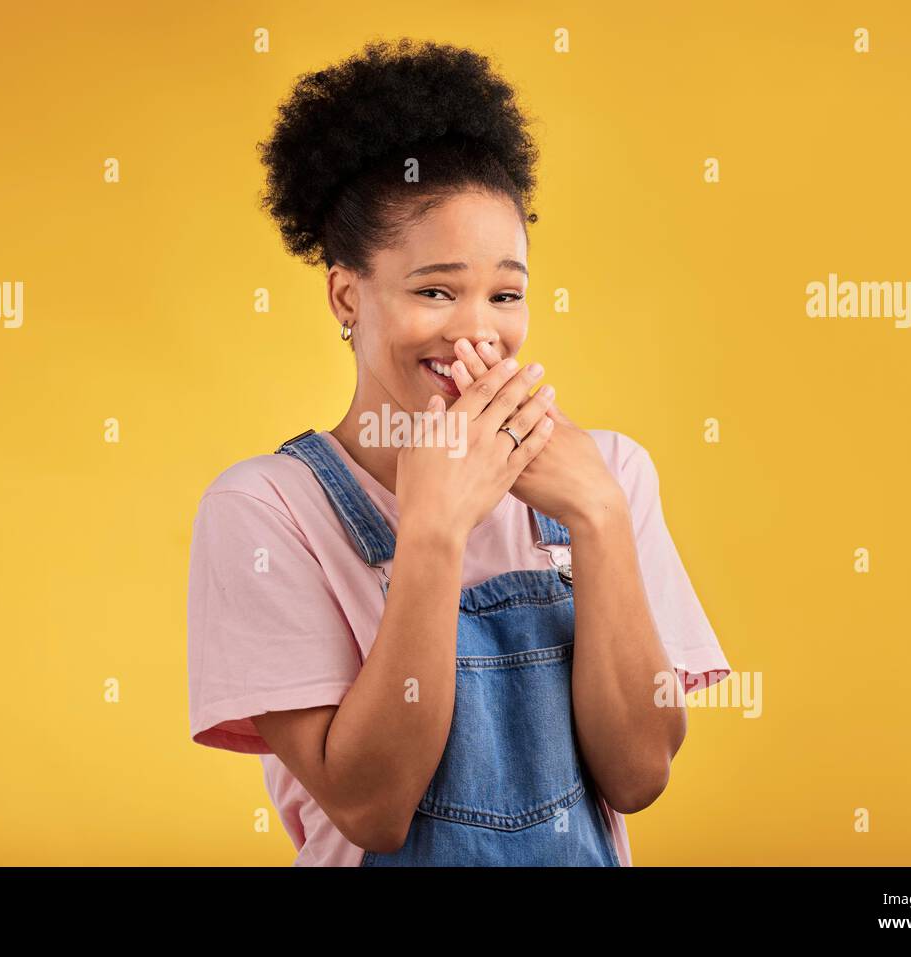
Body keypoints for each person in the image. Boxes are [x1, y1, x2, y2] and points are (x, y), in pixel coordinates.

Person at [187, 37, 731, 866]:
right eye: (435, 290)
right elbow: (372, 807)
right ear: (346, 294)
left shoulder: (611, 473)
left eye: (505, 294)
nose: (477, 329)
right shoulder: (266, 510)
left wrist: (599, 518)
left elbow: (640, 771)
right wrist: (433, 529)